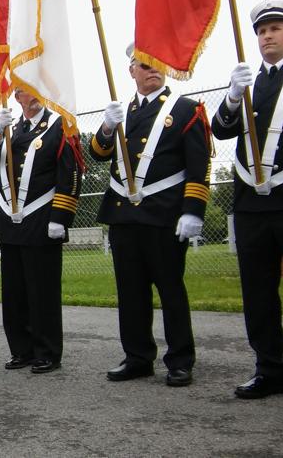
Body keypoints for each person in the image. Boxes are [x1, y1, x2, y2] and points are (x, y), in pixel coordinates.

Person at [90, 44, 212, 387]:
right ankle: (138, 357)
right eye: (144, 65)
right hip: (124, 216)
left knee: (171, 289)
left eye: (157, 63)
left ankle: (180, 359)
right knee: (130, 292)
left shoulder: (187, 110)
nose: (152, 69)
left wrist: (193, 210)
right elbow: (98, 154)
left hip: (164, 215)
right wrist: (105, 128)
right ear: (132, 71)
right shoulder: (121, 112)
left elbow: (199, 164)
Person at [211, 0, 283, 403]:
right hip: (252, 204)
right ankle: (269, 369)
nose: (266, 36)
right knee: (257, 293)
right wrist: (233, 97)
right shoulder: (248, 81)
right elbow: (221, 131)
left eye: (274, 29)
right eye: (260, 30)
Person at [0, 87, 83, 376]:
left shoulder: (61, 125)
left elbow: (71, 172)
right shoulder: (11, 130)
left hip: (42, 219)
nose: (32, 95)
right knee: (15, 292)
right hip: (11, 222)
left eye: (37, 89)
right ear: (17, 98)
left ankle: (47, 351)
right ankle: (21, 350)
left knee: (42, 291)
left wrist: (61, 216)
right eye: (25, 91)